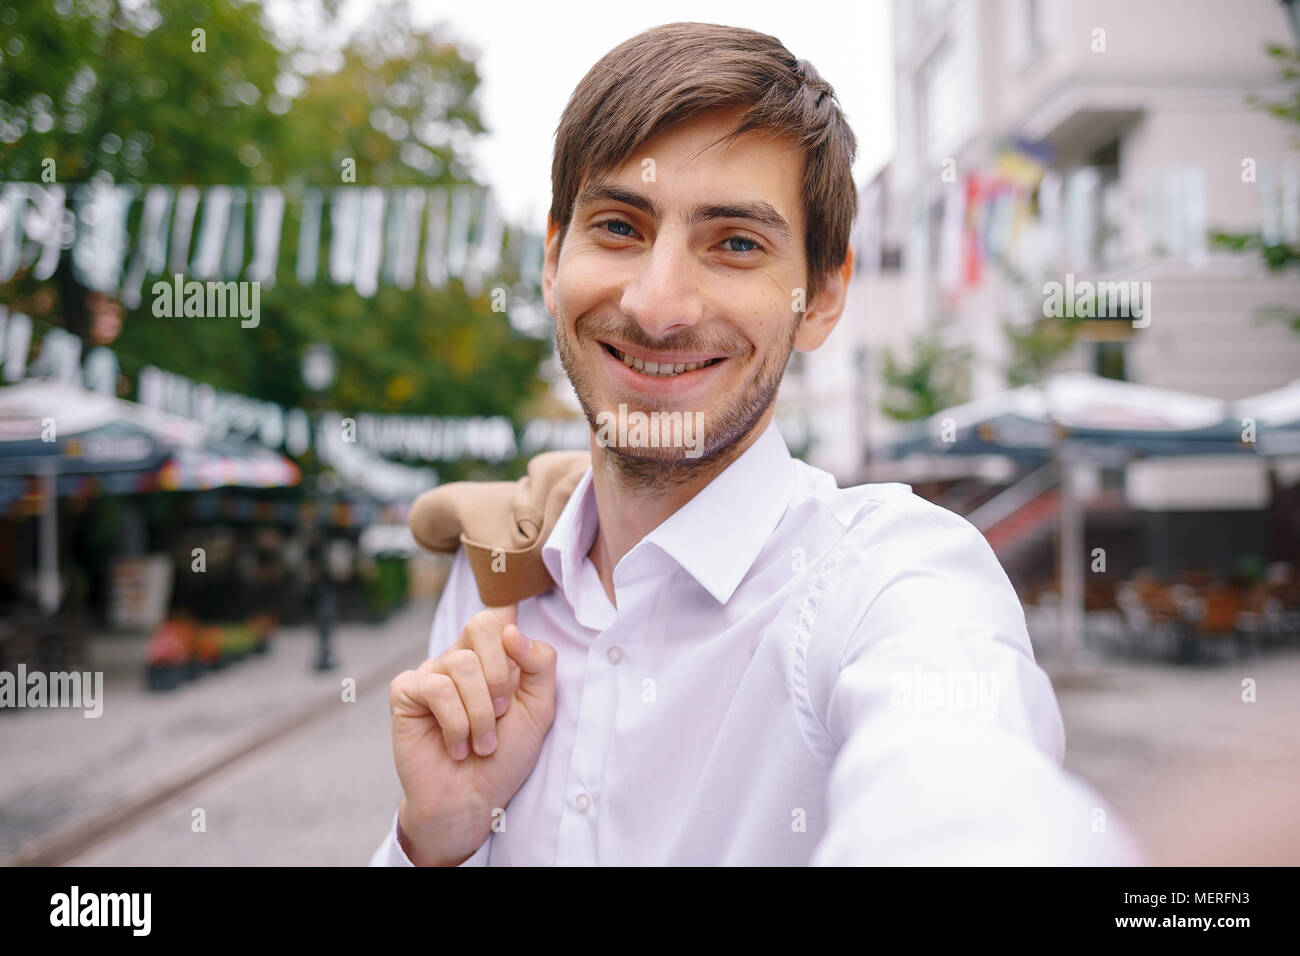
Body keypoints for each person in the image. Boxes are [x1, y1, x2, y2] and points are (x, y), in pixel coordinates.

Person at [371, 21, 1142, 866]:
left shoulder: (892, 581)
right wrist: (436, 841)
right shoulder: (494, 576)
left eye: (736, 243)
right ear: (553, 261)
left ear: (820, 297)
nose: (658, 305)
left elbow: (965, 792)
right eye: (620, 228)